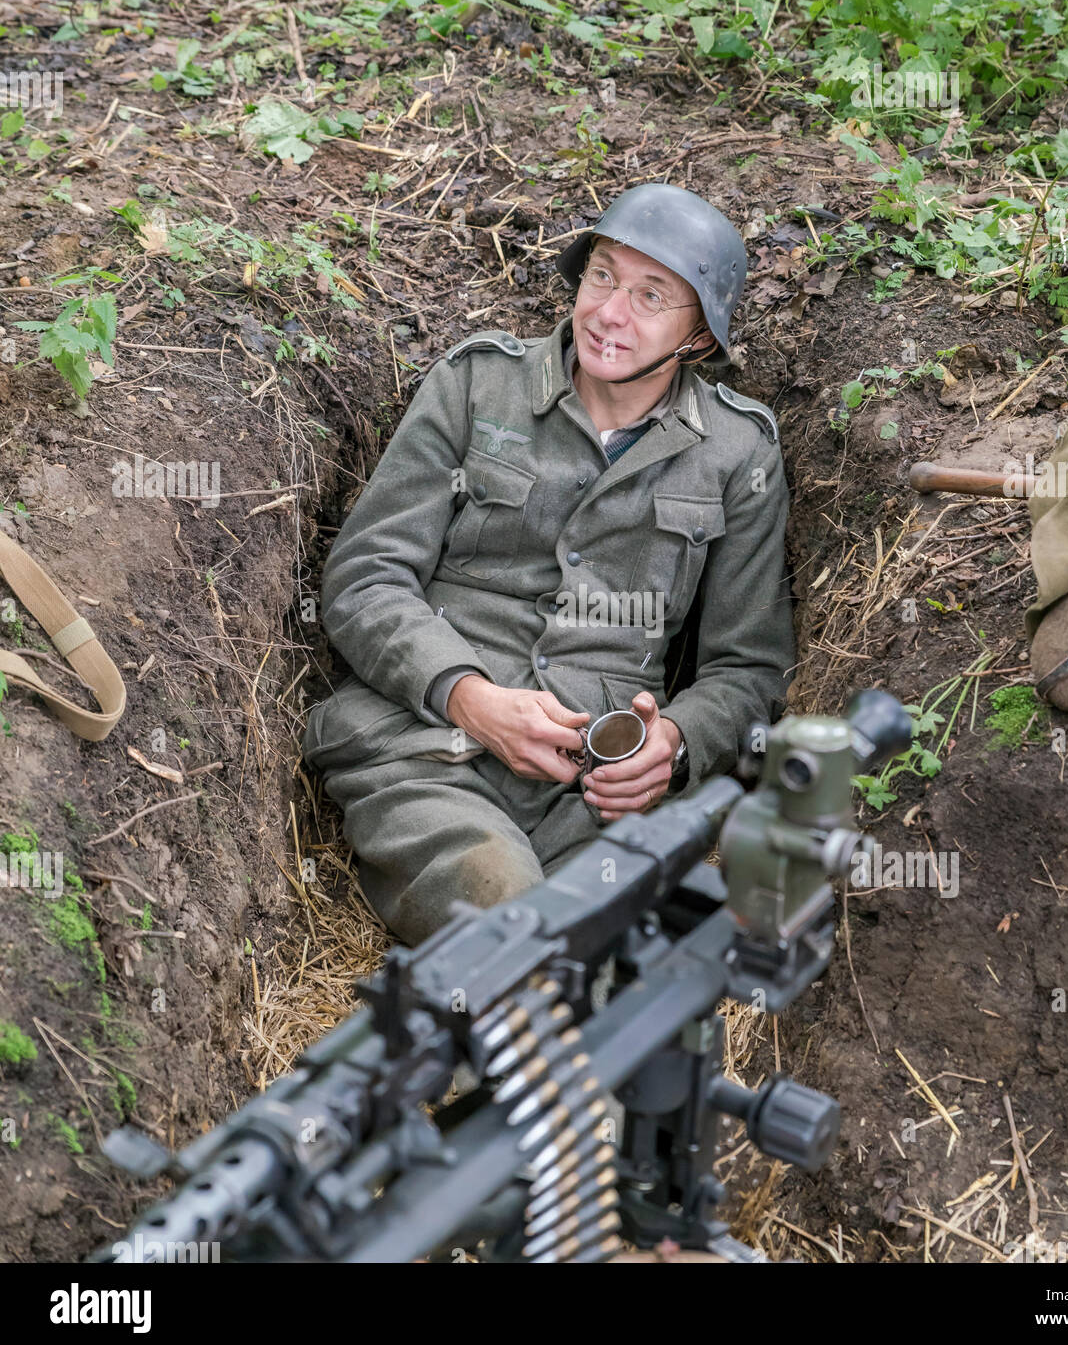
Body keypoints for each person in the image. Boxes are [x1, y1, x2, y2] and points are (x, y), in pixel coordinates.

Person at [302, 183, 796, 945]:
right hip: (426, 749)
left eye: (651, 295)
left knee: (628, 968)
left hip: (594, 801)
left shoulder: (738, 454)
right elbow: (366, 576)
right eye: (602, 276)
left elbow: (747, 667)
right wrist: (469, 698)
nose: (608, 311)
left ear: (698, 334)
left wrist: (673, 744)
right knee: (503, 914)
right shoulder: (476, 386)